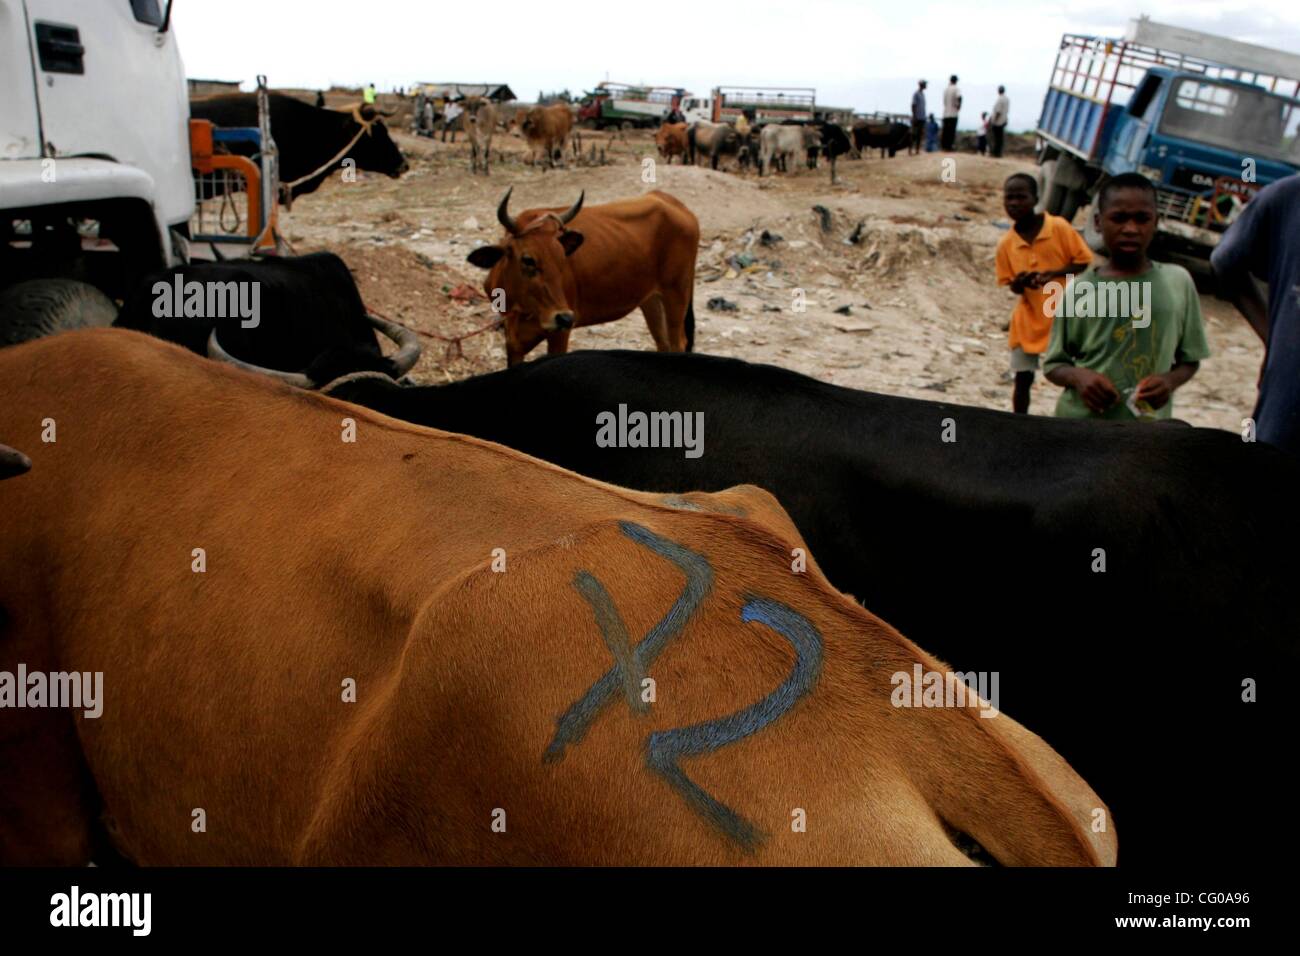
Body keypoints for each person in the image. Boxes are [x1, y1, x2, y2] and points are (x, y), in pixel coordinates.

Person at [1044, 173, 1210, 421]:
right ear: (1099, 223)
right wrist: (1079, 377)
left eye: (1142, 219)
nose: (1131, 229)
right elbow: (1054, 365)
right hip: (1080, 429)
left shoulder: (1179, 282)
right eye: (1119, 218)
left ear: (1156, 222)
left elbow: (1190, 359)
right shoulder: (1078, 289)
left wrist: (1169, 381)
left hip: (1145, 433)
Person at [1211, 173, 1300, 454]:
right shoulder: (1288, 196)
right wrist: (1274, 339)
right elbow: (1227, 262)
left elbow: (1226, 261)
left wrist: (1277, 341)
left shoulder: (1287, 194)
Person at [995, 173, 1093, 413]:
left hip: (1065, 315)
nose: (1015, 203)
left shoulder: (1058, 227)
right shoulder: (1006, 244)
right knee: (1022, 378)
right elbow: (1012, 286)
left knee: (1076, 375)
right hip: (1029, 317)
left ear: (1036, 198)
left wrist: (1054, 274)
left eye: (1021, 197)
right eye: (1009, 198)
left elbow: (1083, 261)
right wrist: (1021, 282)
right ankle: (1019, 424)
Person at [941, 75, 961, 151]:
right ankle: (949, 146)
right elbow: (959, 97)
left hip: (946, 113)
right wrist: (959, 106)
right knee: (951, 131)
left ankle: (944, 146)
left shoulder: (946, 89)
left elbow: (944, 101)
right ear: (956, 81)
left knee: (945, 131)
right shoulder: (956, 89)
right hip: (953, 113)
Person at [989, 85, 1010, 158]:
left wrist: (994, 120)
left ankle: (996, 153)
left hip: (998, 121)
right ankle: (999, 153)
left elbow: (998, 111)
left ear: (999, 91)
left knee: (996, 138)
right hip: (1003, 120)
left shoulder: (1000, 99)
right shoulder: (1007, 99)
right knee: (1000, 138)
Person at [910, 79, 927, 155]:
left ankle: (917, 150)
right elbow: (913, 105)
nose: (926, 85)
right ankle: (910, 149)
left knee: (919, 134)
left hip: (922, 117)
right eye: (924, 84)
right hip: (917, 117)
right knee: (914, 134)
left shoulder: (922, 94)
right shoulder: (916, 94)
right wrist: (914, 116)